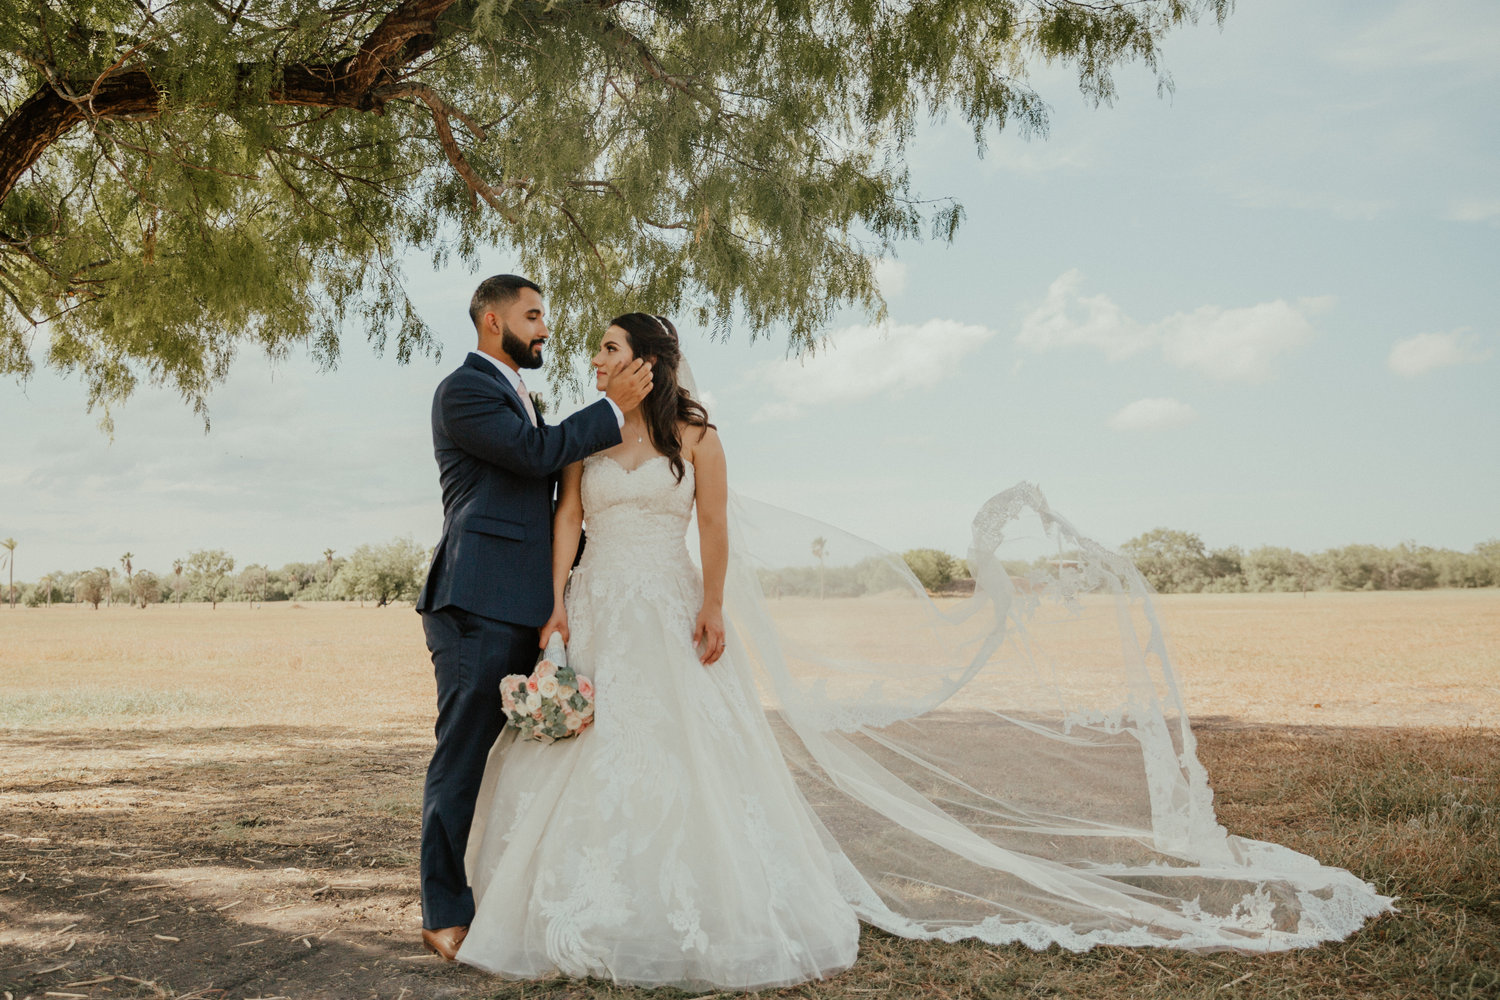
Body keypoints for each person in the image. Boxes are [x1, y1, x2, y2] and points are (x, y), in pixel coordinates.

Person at [455, 312, 1394, 989]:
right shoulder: (577, 437)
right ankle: (570, 903)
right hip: (597, 607)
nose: (595, 357)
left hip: (667, 604)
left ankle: (704, 899)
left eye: (611, 348)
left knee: (691, 748)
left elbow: (715, 529)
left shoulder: (696, 438)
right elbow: (567, 523)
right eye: (594, 349)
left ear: (650, 363)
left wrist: (710, 606)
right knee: (592, 748)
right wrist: (555, 613)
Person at [413, 275, 653, 960]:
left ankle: (528, 894)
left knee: (526, 763)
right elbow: (536, 455)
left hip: (527, 605)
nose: (546, 328)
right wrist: (611, 409)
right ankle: (441, 911)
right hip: (476, 601)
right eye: (534, 315)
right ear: (493, 321)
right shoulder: (464, 391)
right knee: (460, 759)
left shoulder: (518, 393)